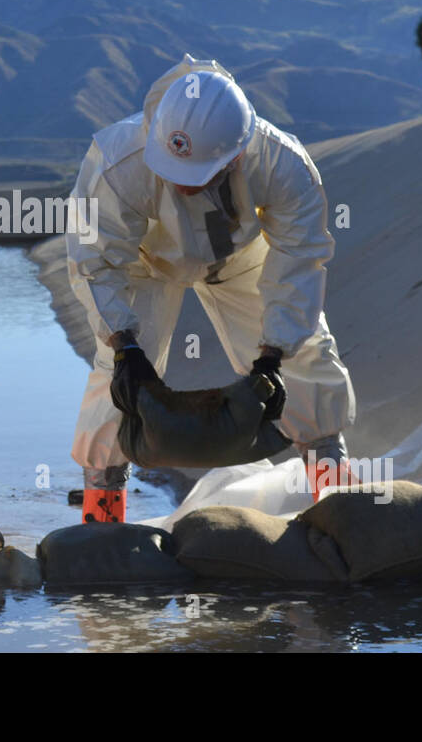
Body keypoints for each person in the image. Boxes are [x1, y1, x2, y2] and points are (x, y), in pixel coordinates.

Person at [66, 54, 357, 522]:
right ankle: (102, 514)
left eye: (195, 177)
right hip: (145, 260)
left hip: (237, 258)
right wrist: (124, 345)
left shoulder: (284, 164)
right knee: (113, 379)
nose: (182, 188)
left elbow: (298, 264)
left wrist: (272, 352)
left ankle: (337, 499)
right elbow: (96, 264)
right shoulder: (118, 161)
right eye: (173, 174)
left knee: (307, 358)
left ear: (238, 154)